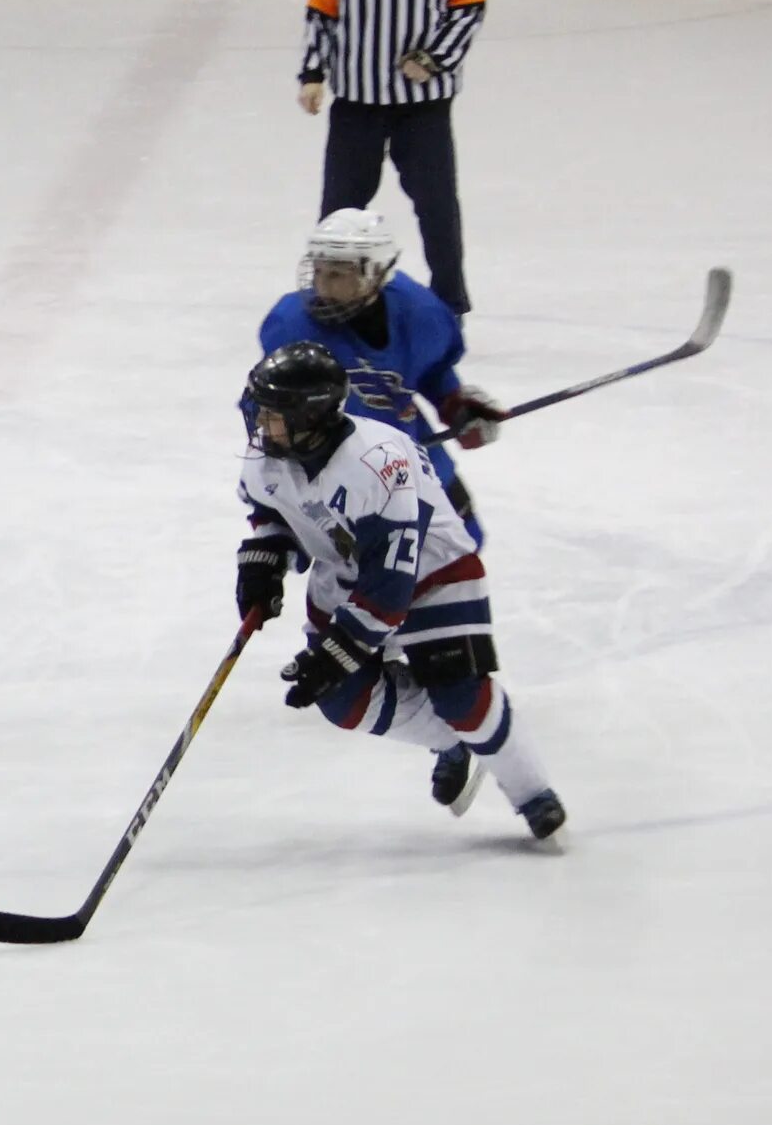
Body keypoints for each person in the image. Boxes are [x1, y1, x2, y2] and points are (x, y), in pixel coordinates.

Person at [238, 342, 564, 843]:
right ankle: (455, 742)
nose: (262, 423)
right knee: (343, 700)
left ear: (309, 418)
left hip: (435, 572)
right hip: (345, 574)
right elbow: (273, 512)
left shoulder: (375, 463)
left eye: (273, 413)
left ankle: (531, 792)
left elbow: (389, 587)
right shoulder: (270, 457)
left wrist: (336, 651)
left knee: (461, 694)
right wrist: (265, 558)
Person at [298, 0, 487, 313]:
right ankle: (330, 300)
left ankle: (449, 302)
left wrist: (434, 58)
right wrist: (313, 73)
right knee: (338, 211)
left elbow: (468, 6)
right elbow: (322, 11)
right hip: (356, 104)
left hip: (422, 107)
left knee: (437, 207)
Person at [256, 207, 503, 523]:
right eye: (317, 272)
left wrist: (457, 408)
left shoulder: (421, 314)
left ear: (374, 272)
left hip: (409, 454)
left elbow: (433, 371)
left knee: (462, 541)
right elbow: (264, 407)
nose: (322, 287)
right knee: (367, 566)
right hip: (330, 471)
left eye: (336, 274)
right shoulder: (291, 327)